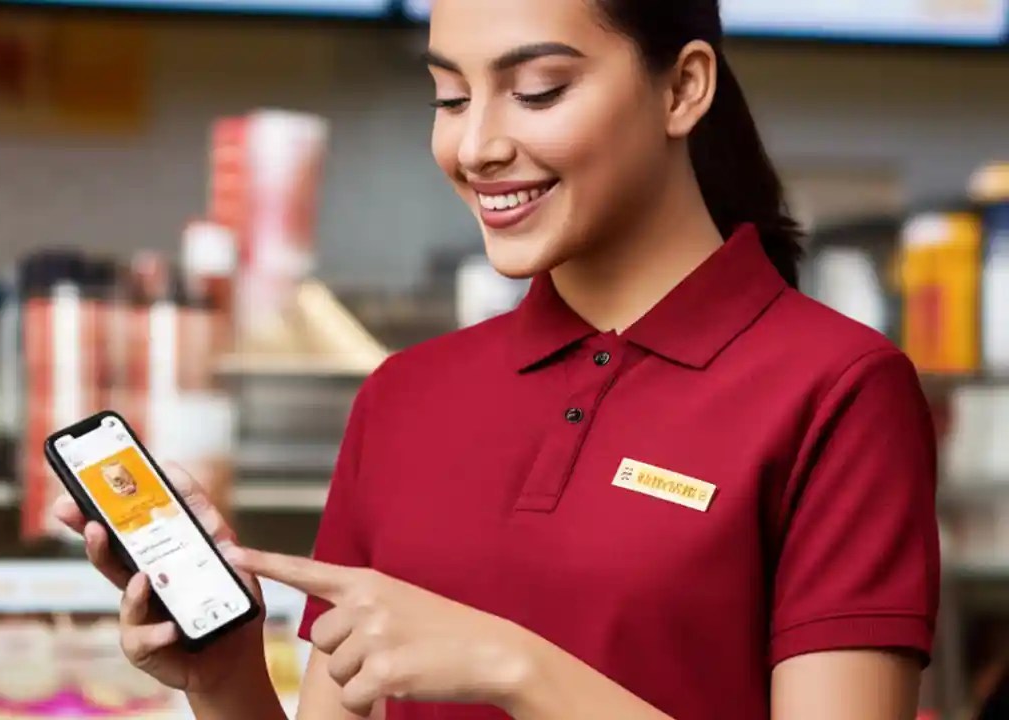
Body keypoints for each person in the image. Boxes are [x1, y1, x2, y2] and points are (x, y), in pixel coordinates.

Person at [54, 0, 939, 718]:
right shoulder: (403, 397)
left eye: (538, 91)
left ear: (683, 88)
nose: (475, 146)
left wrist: (513, 666)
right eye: (449, 98)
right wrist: (225, 681)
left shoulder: (839, 390)